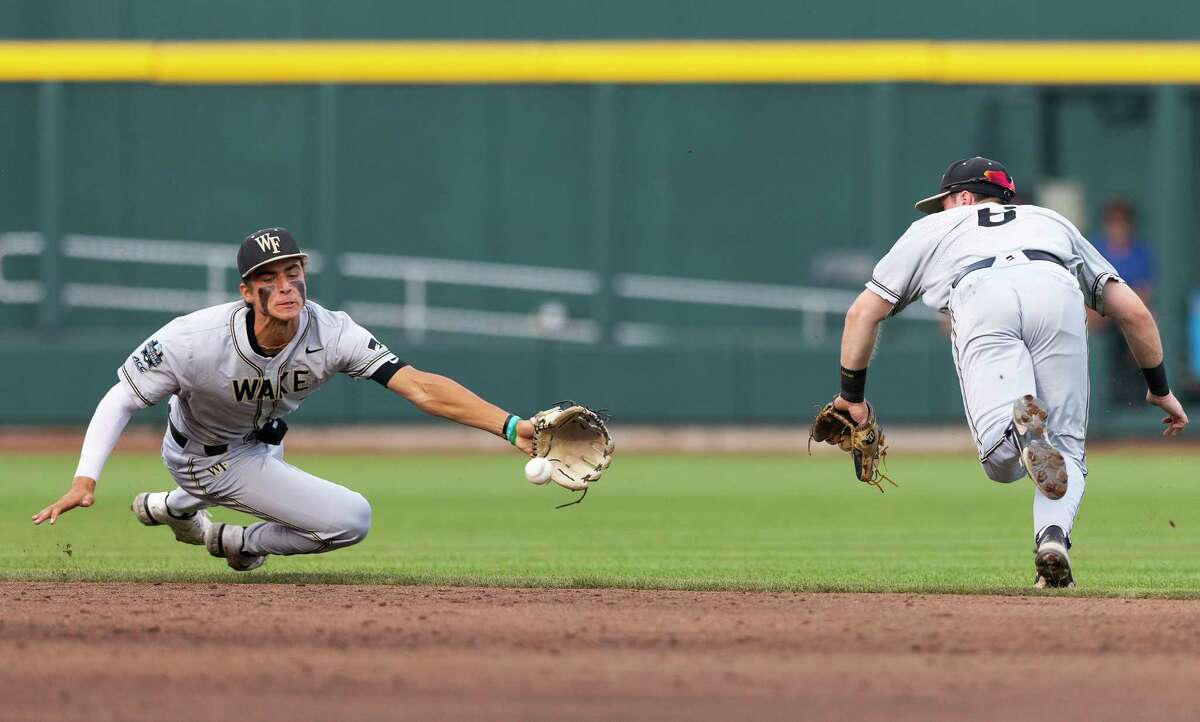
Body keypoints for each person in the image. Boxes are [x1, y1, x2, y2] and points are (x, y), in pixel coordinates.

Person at [32, 228, 539, 571]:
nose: (286, 286)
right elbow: (120, 399)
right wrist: (84, 480)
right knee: (350, 520)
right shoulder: (194, 338)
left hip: (263, 444)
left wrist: (510, 426)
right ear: (246, 292)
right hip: (203, 457)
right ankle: (232, 539)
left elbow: (420, 385)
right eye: (268, 278)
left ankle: (177, 510)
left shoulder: (331, 330)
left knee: (271, 467)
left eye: (292, 272)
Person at [832, 158, 1188, 588]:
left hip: (982, 292)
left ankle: (1021, 435)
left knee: (999, 465)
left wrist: (851, 396)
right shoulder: (1050, 222)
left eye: (942, 202)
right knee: (1068, 447)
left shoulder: (934, 230)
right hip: (1055, 286)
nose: (941, 210)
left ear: (963, 197)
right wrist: (1160, 389)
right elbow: (1133, 312)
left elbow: (861, 315)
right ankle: (1052, 542)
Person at [1092, 199, 1157, 406]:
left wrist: (1123, 309)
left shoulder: (1140, 252)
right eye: (1113, 221)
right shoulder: (1095, 247)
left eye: (1122, 222)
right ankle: (1098, 401)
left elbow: (1145, 291)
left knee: (1146, 323)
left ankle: (1137, 394)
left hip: (1127, 310)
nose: (1117, 226)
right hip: (1099, 309)